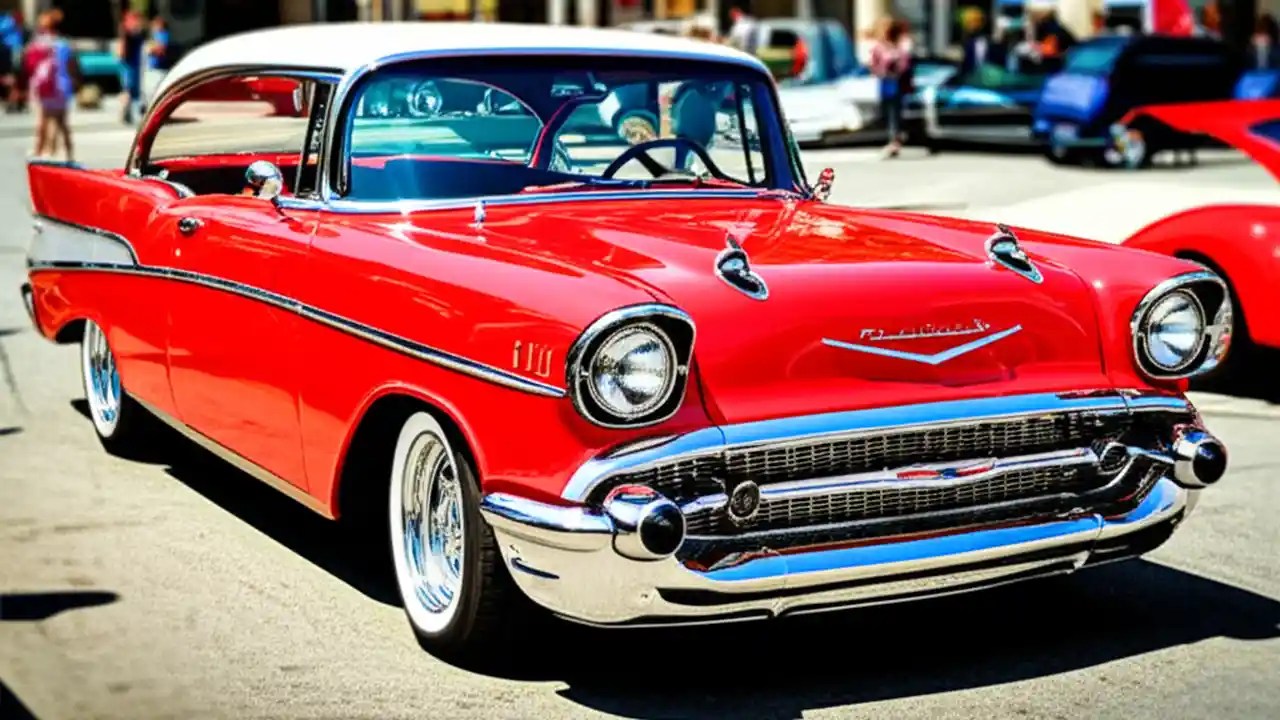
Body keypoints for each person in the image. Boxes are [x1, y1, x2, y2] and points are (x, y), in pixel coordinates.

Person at [24, 10, 76, 161]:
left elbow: (29, 65)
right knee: (63, 123)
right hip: (62, 87)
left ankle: (40, 151)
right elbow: (71, 66)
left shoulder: (38, 43)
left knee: (43, 121)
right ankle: (69, 154)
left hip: (45, 87)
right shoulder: (63, 44)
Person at [869, 17, 911, 158]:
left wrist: (897, 69)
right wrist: (882, 71)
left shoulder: (901, 45)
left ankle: (895, 140)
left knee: (896, 111)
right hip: (884, 81)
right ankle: (894, 137)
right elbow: (874, 65)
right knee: (886, 111)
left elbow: (905, 64)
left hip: (897, 82)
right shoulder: (878, 47)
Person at [117, 9, 145, 124]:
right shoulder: (128, 34)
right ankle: (125, 112)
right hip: (130, 64)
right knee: (128, 89)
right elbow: (122, 49)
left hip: (134, 64)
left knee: (132, 90)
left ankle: (127, 112)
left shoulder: (134, 33)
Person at [959, 7, 994, 76]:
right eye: (969, 23)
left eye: (975, 22)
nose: (972, 25)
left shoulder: (990, 43)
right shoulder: (964, 44)